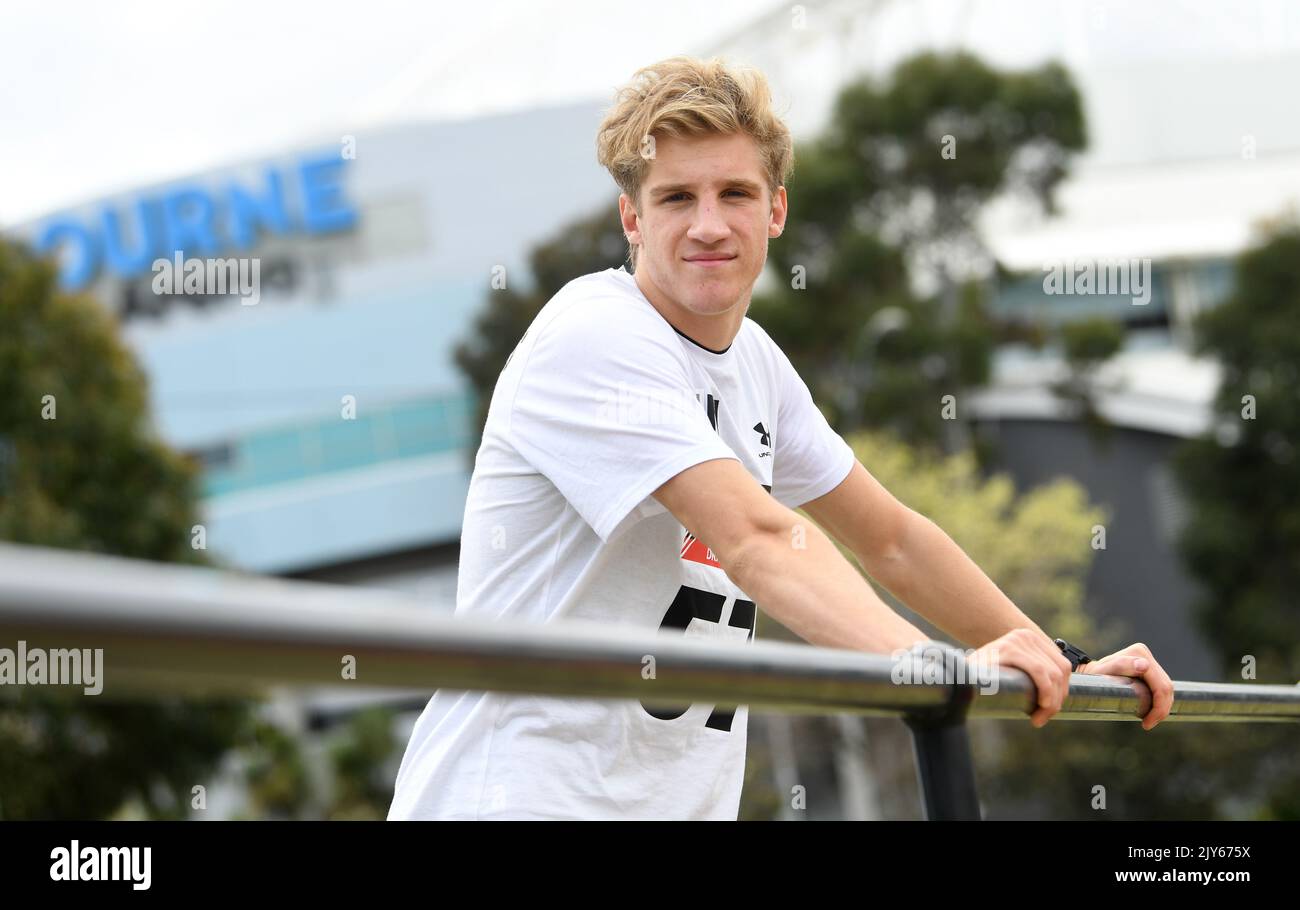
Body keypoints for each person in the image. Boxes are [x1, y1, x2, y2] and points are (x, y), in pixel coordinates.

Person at [387, 55, 1174, 821]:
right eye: (674, 198)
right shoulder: (593, 335)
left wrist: (1059, 662)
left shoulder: (755, 360)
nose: (708, 225)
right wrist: (938, 671)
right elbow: (755, 538)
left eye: (735, 192)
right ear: (632, 217)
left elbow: (892, 538)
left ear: (776, 211)